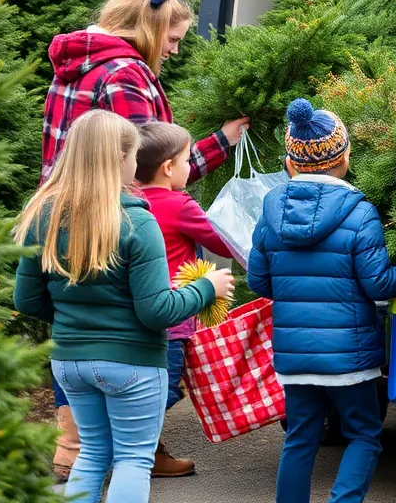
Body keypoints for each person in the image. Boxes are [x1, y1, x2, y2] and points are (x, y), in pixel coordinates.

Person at [41, 0, 249, 478]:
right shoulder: (127, 74)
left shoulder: (76, 66)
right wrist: (220, 143)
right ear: (149, 27)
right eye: (173, 39)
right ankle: (116, 448)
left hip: (62, 215)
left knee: (76, 324)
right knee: (133, 323)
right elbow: (147, 167)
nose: (175, 50)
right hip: (112, 219)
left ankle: (80, 450)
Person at [13, 110, 236, 503]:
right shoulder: (137, 222)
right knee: (134, 458)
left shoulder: (41, 215)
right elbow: (156, 311)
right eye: (133, 156)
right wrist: (206, 288)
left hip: (70, 361)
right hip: (131, 361)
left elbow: (27, 299)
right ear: (120, 159)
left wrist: (79, 319)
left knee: (94, 453)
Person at [248, 98, 396, 503]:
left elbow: (258, 281)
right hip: (350, 358)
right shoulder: (360, 213)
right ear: (345, 157)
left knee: (300, 440)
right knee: (365, 435)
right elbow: (377, 284)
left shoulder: (270, 213)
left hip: (295, 356)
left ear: (290, 162)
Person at [135, 122, 237, 477]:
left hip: (138, 313)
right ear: (167, 168)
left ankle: (149, 452)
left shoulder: (131, 202)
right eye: (185, 162)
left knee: (152, 382)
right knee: (168, 387)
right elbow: (222, 242)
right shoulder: (180, 204)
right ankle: (131, 443)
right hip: (175, 318)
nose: (188, 169)